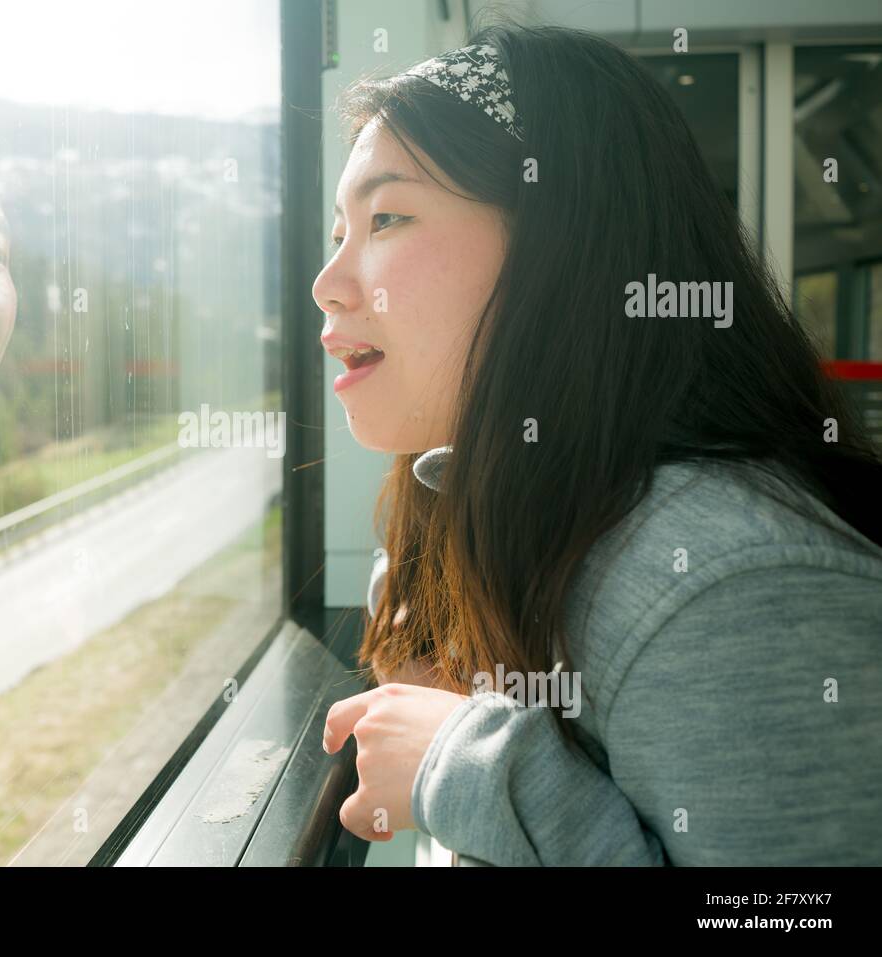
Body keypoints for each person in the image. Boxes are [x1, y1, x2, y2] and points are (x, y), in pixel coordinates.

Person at [315, 24, 882, 865]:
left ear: (562, 241)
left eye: (387, 216)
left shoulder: (730, 583)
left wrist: (468, 769)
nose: (330, 286)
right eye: (337, 235)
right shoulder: (502, 511)